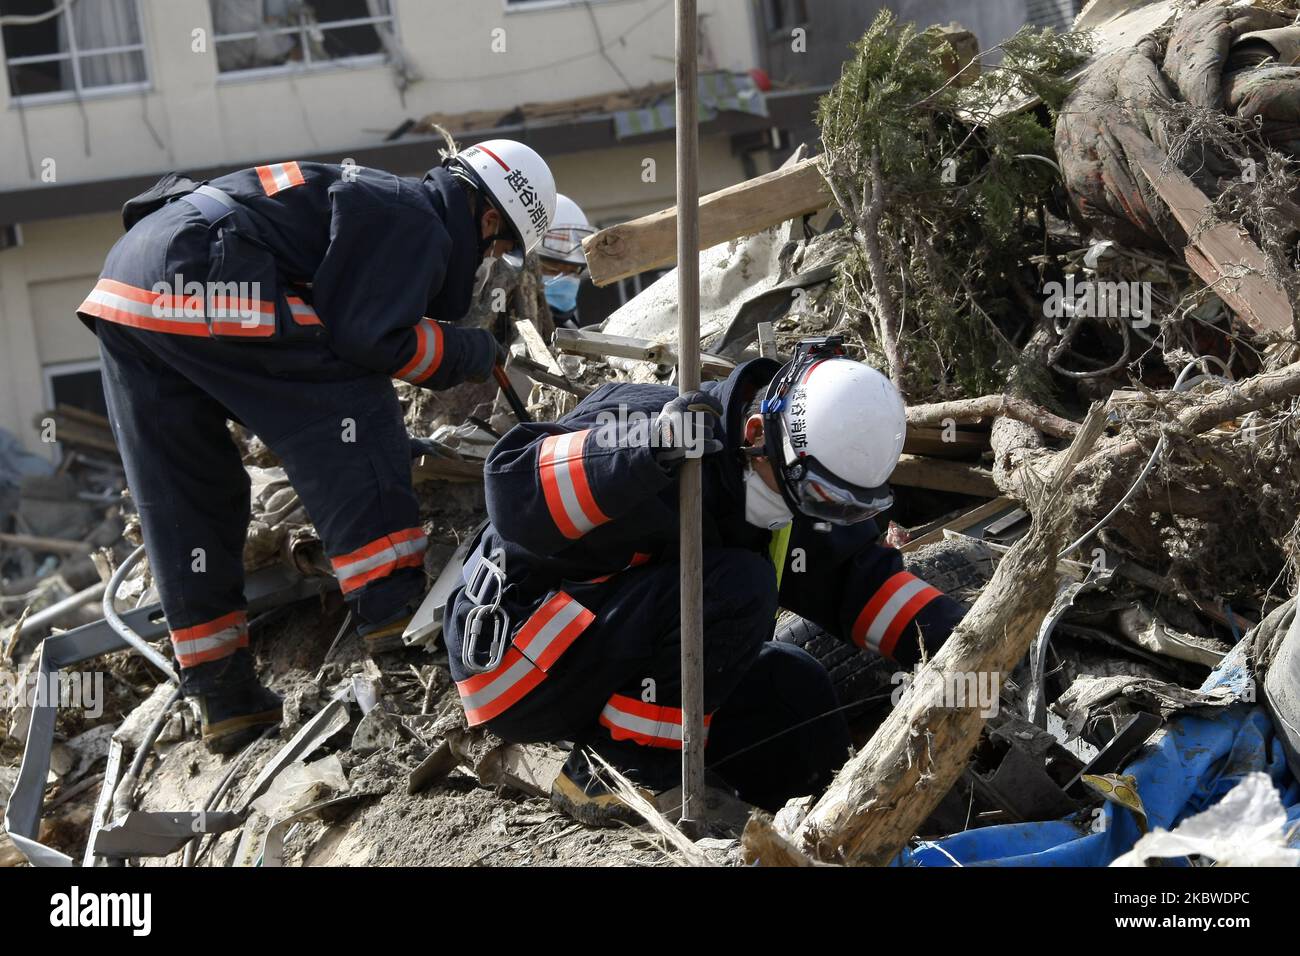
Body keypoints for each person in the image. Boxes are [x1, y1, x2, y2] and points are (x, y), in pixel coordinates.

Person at [77, 140, 557, 752]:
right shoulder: (419, 216)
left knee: (187, 488)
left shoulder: (381, 198)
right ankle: (393, 613)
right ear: (489, 219)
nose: (493, 259)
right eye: (503, 246)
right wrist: (470, 351)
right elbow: (371, 340)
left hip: (130, 282)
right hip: (201, 266)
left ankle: (225, 699)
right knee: (349, 400)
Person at [443, 336, 966, 823]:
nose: (822, 514)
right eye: (821, 498)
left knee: (794, 687)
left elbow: (856, 584)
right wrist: (643, 453)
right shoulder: (648, 422)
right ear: (757, 433)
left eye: (846, 506)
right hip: (517, 655)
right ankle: (616, 776)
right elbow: (511, 488)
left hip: (602, 652)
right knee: (738, 586)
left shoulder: (792, 476)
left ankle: (820, 826)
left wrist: (963, 642)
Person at [538, 193, 594, 329]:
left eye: (572, 271)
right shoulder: (497, 326)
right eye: (553, 269)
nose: (564, 278)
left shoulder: (571, 331)